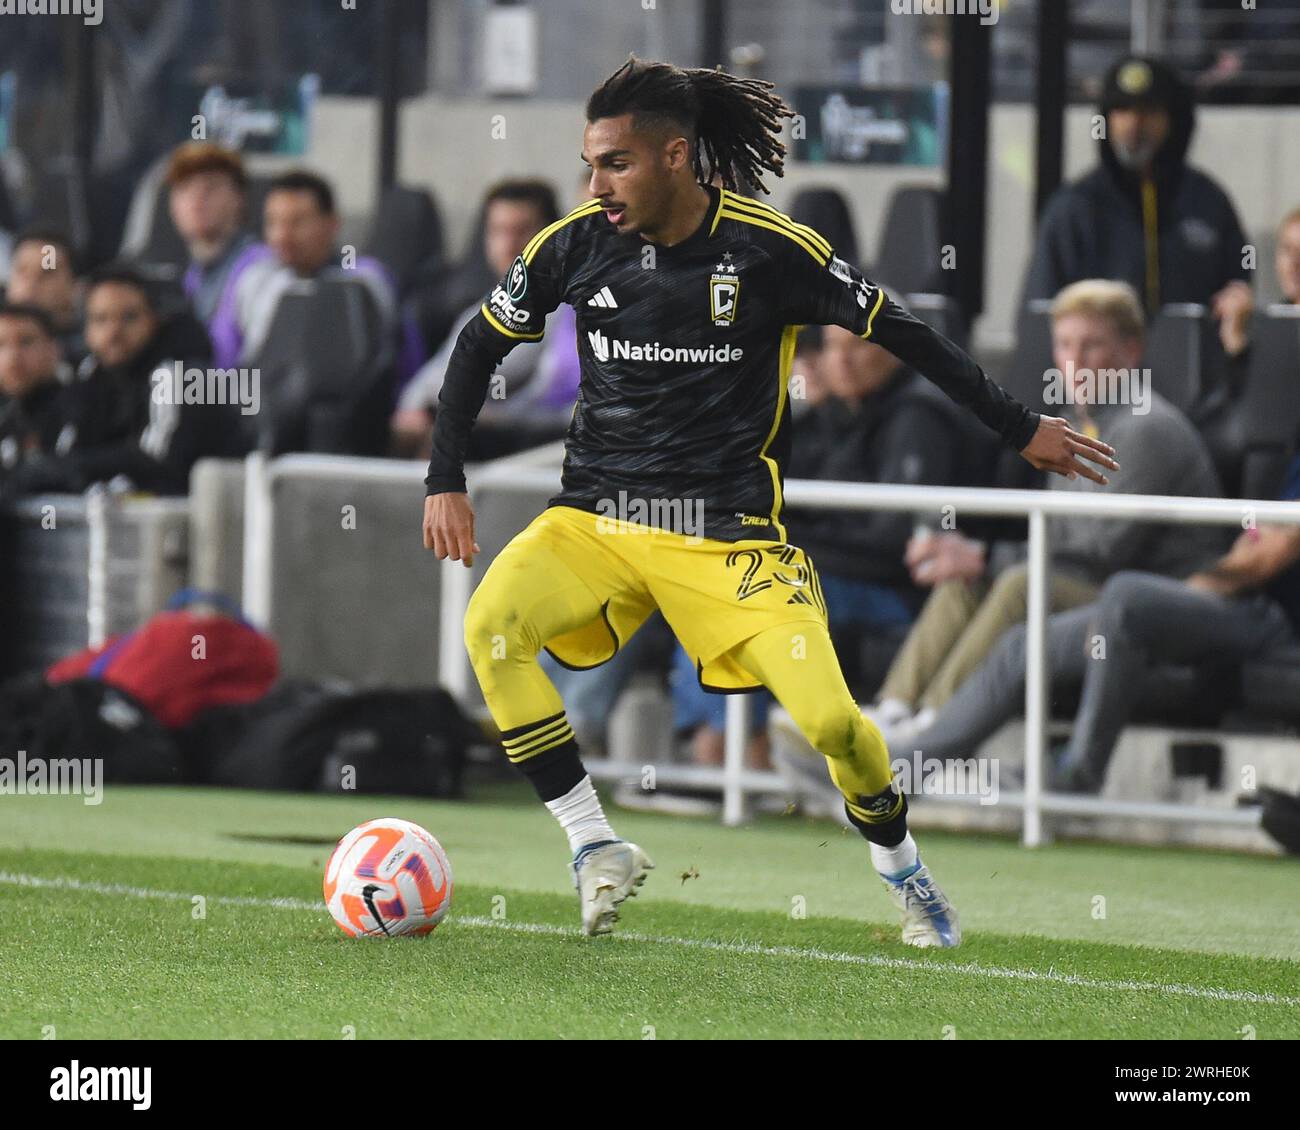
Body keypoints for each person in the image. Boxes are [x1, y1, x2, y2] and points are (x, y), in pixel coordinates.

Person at [420, 57, 1116, 948]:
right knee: (489, 629)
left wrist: (1018, 427)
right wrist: (446, 479)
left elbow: (903, 332)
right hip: (595, 518)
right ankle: (595, 842)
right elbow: (476, 349)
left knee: (833, 724)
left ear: (676, 156)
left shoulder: (767, 249)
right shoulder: (575, 243)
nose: (595, 184)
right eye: (589, 163)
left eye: (616, 164)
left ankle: (904, 869)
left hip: (726, 538)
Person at [867, 280, 1228, 743]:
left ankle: (933, 726)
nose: (1075, 361)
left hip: (1159, 601)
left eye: (1092, 344)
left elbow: (1101, 550)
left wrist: (987, 555)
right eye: (1064, 344)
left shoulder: (1148, 428)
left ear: (1132, 349)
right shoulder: (1069, 424)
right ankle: (892, 709)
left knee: (1018, 583)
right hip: (1094, 585)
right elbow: (1063, 537)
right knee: (967, 582)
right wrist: (979, 562)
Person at [900, 447, 1300, 795]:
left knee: (1128, 596)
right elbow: (1253, 543)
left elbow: (1267, 555)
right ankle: (901, 775)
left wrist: (1185, 597)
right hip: (1210, 602)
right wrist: (1177, 602)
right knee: (1027, 642)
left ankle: (1077, 775)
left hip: (1266, 621)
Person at [1022, 55, 1253, 353]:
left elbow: (1238, 289)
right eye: (1121, 110)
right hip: (1098, 387)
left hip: (1195, 388)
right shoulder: (1074, 207)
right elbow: (1040, 315)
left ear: (1175, 120)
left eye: (1149, 111)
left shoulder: (1209, 202)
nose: (1133, 124)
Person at [391, 179, 578, 460]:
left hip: (539, 439)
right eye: (498, 231)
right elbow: (432, 375)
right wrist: (414, 407)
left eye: (522, 231)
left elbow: (493, 372)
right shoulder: (483, 308)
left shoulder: (560, 305)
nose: (508, 244)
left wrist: (433, 402)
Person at [11, 267, 225, 496]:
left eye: (129, 317)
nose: (114, 332)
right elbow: (68, 451)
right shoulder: (90, 375)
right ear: (86, 329)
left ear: (154, 320)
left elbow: (156, 459)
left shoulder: (178, 375)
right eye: (101, 319)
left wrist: (71, 467)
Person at [165, 142, 272, 370]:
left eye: (211, 188)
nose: (197, 199)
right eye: (184, 188)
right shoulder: (190, 277)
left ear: (239, 199)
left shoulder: (264, 271)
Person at [0, 304, 71, 495]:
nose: (13, 357)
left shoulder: (84, 409)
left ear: (53, 349)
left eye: (26, 342)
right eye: (2, 345)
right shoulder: (8, 421)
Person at [3, 228, 86, 366]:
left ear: (75, 285)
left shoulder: (96, 348)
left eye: (47, 273)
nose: (31, 283)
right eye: (22, 271)